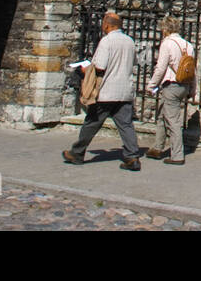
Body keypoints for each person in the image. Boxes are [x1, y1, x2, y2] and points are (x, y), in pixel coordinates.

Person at [63, 11, 143, 171]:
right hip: (124, 90)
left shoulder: (106, 42)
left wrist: (84, 69)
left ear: (107, 25)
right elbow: (135, 61)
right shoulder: (129, 41)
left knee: (92, 122)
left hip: (107, 90)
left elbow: (99, 66)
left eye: (104, 24)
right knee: (126, 124)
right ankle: (132, 156)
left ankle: (77, 153)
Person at [146, 15, 192, 165]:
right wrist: (193, 89)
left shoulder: (167, 44)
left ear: (165, 29)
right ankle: (157, 148)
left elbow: (160, 68)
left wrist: (151, 85)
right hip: (184, 85)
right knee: (162, 114)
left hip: (171, 84)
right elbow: (193, 70)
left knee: (173, 121)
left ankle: (177, 155)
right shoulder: (188, 45)